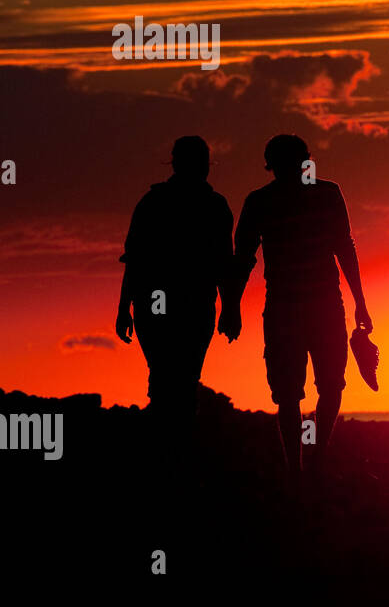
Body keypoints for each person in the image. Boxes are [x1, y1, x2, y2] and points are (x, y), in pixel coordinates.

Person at [220, 135, 372, 485]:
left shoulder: (325, 194)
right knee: (292, 392)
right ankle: (298, 467)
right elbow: (242, 258)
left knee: (325, 386)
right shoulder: (261, 202)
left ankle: (312, 461)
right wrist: (230, 306)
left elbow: (343, 247)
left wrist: (361, 303)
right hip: (289, 310)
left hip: (315, 308)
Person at [116, 135, 234, 462]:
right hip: (188, 305)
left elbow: (135, 259)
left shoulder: (161, 203)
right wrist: (230, 308)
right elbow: (136, 258)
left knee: (170, 379)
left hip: (171, 304)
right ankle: (175, 454)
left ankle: (171, 454)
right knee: (177, 380)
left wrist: (124, 308)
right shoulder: (208, 206)